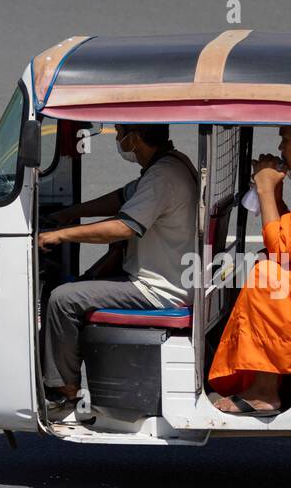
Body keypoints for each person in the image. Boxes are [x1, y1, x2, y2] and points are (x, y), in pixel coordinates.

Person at [39, 124, 197, 420]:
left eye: (121, 131)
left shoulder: (162, 177)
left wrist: (61, 234)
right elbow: (122, 198)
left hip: (158, 290)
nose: (118, 137)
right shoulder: (169, 164)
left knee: (62, 299)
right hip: (166, 278)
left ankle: (64, 393)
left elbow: (125, 226)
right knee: (83, 285)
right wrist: (71, 213)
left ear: (134, 138)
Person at [209, 124, 291, 414]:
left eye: (285, 140)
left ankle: (265, 392)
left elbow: (282, 248)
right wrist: (275, 194)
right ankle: (264, 380)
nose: (280, 148)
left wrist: (266, 189)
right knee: (264, 263)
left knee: (267, 277)